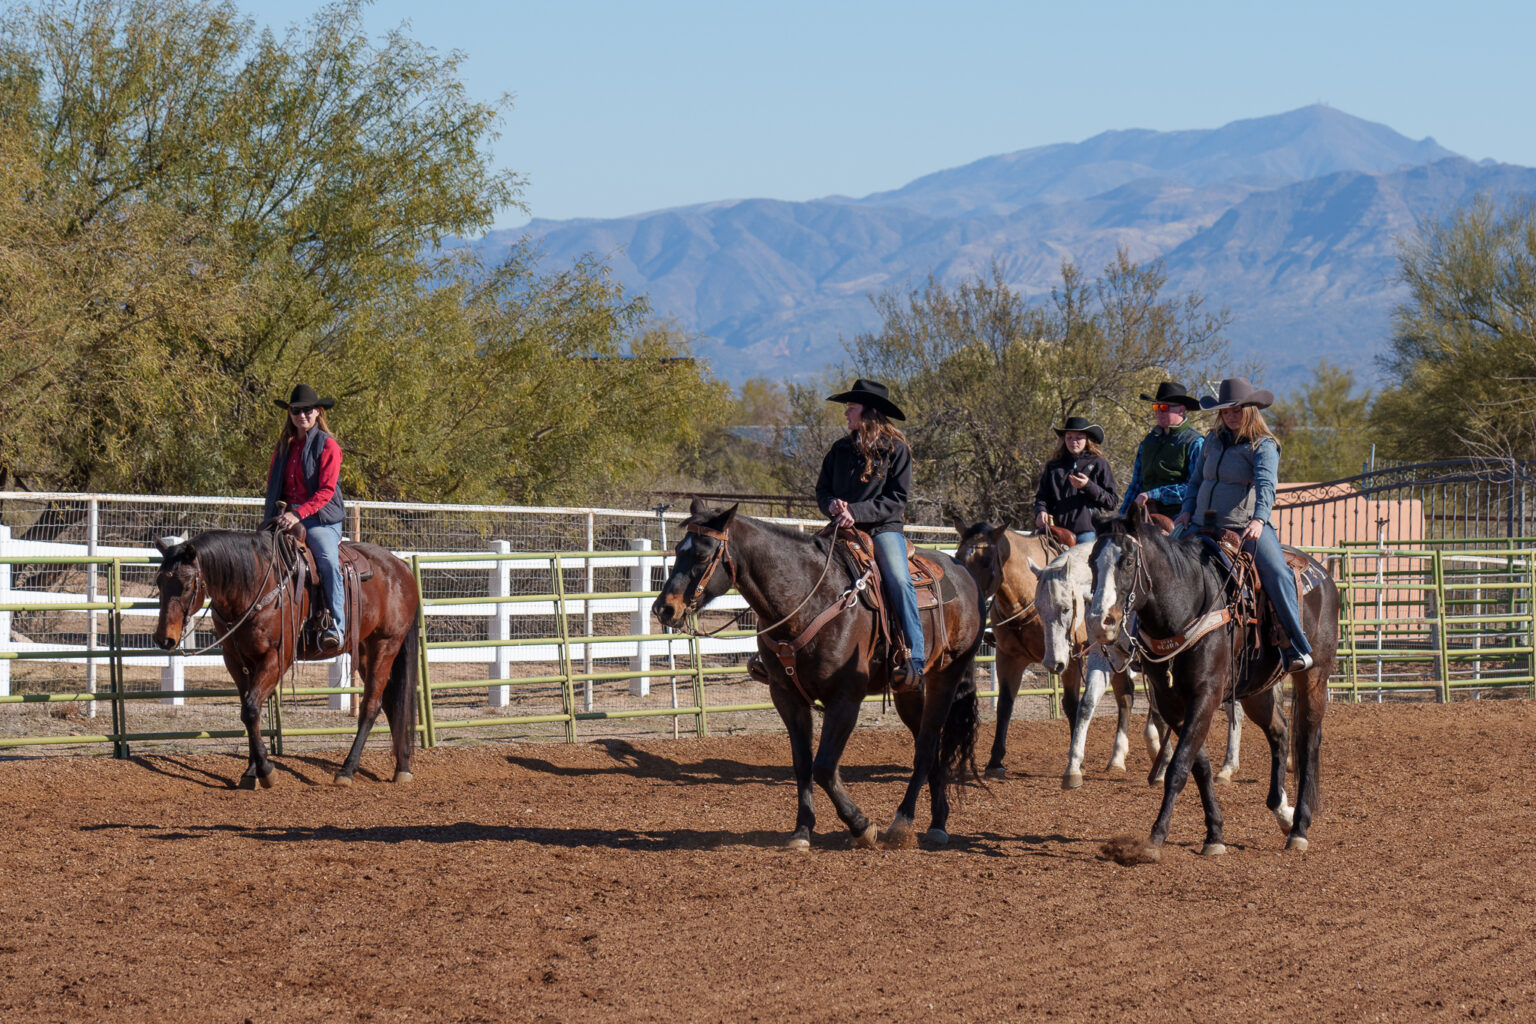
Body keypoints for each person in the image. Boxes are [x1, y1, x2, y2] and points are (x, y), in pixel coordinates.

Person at [1175, 376, 1313, 673]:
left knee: (1277, 572)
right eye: (1226, 411)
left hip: (1244, 524)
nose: (1231, 416)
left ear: (1251, 410)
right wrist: (1186, 511)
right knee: (1160, 559)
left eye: (1237, 410)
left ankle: (1294, 645)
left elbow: (1266, 485)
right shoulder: (1211, 440)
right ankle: (1137, 640)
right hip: (1204, 521)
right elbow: (1197, 481)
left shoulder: (1263, 445)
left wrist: (1260, 520)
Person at [816, 379, 926, 694]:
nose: (846, 413)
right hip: (841, 526)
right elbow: (822, 489)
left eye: (852, 407)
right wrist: (832, 505)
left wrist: (857, 512)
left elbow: (895, 500)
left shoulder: (896, 451)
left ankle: (914, 658)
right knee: (803, 565)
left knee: (899, 579)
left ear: (870, 412)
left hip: (882, 529)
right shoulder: (839, 450)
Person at [264, 383, 347, 652]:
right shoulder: (283, 447)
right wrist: (275, 516)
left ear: (318, 412)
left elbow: (326, 491)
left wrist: (298, 513)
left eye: (307, 410)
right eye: (296, 410)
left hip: (321, 519)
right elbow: (272, 485)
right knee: (257, 556)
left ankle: (336, 624)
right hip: (286, 515)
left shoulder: (328, 446)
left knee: (326, 559)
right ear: (289, 413)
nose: (302, 416)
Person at [1119, 382, 1205, 519]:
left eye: (1164, 407)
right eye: (1156, 406)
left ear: (1181, 410)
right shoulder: (1148, 441)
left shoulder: (1195, 442)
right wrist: (1123, 516)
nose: (1158, 411)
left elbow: (1194, 486)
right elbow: (1136, 484)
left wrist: (1153, 494)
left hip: (1181, 516)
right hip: (1145, 515)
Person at [1033, 416, 1118, 545]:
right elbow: (1042, 497)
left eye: (1078, 437)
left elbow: (1112, 502)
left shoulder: (1099, 463)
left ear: (1087, 439)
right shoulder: (1054, 466)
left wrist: (1088, 486)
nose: (1073, 441)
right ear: (1064, 439)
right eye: (1069, 437)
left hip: (1086, 532)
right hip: (1056, 532)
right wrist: (1041, 511)